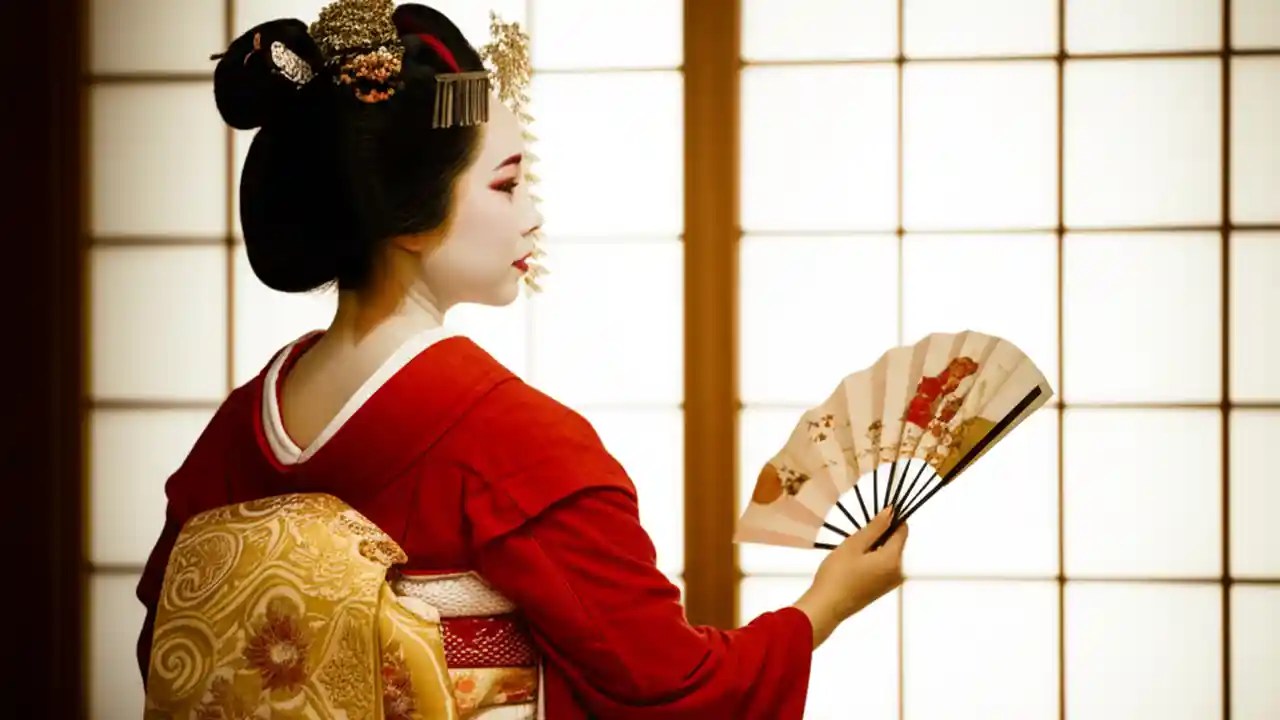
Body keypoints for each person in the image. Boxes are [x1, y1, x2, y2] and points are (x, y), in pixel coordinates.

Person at [134, 2, 910, 718]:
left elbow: (171, 653)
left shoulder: (234, 434)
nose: (533, 215)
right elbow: (667, 688)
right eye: (507, 184)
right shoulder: (518, 445)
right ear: (409, 217)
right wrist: (825, 606)